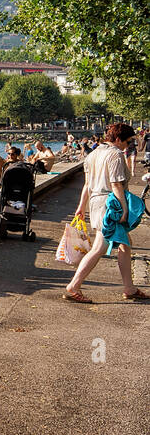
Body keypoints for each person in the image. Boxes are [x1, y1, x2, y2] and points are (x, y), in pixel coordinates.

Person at [65, 123, 147, 302]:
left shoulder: (93, 154)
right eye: (127, 141)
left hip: (95, 201)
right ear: (118, 139)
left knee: (125, 243)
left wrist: (81, 207)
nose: (128, 145)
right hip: (109, 204)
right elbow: (116, 184)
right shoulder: (116, 154)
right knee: (100, 247)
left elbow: (87, 185)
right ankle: (73, 286)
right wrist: (125, 208)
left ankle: (129, 288)